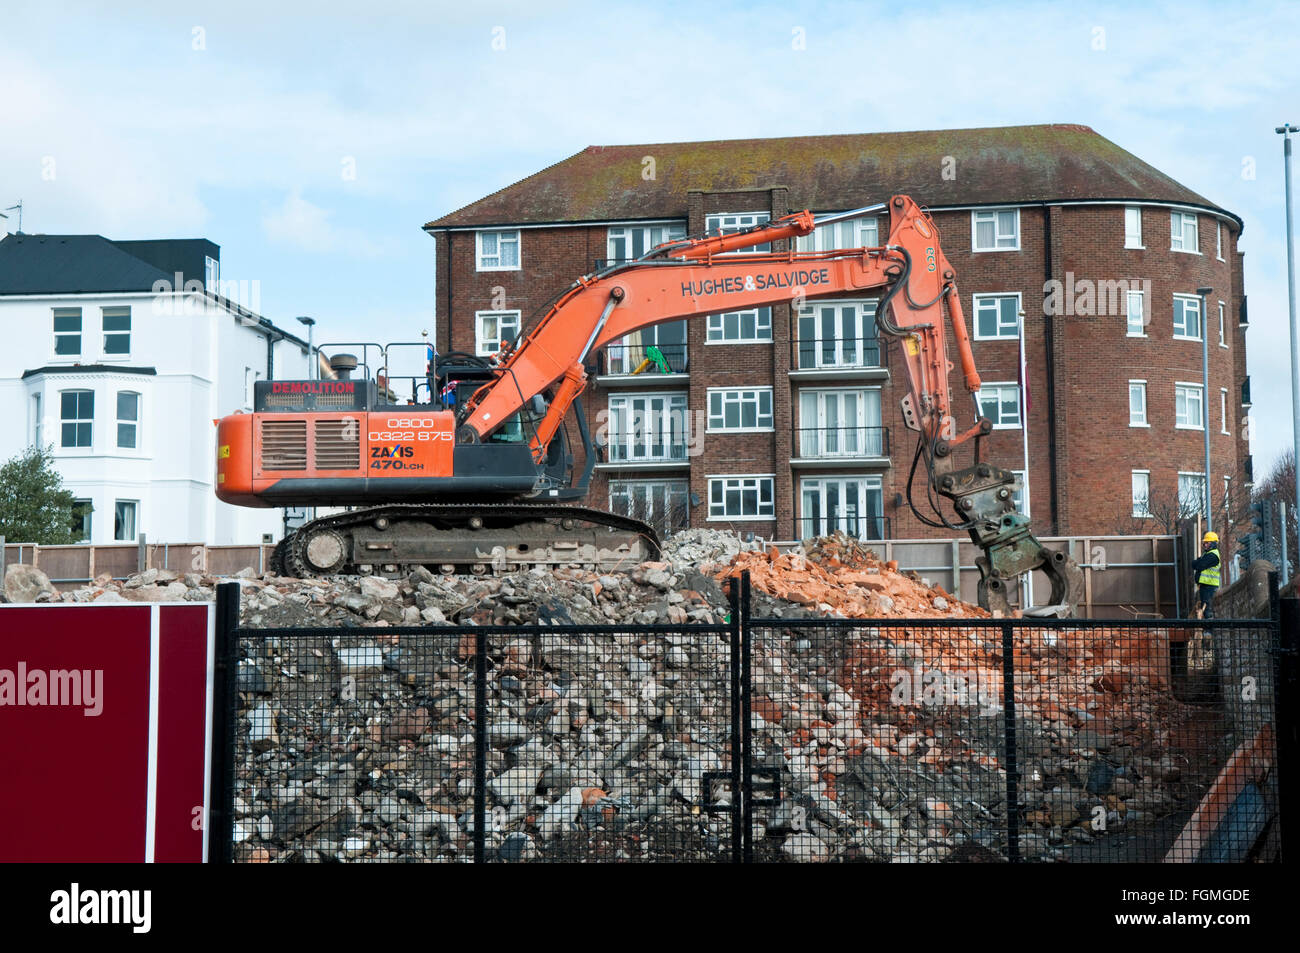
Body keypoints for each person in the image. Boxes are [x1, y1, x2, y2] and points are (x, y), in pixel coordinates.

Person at [1190, 531, 1221, 619]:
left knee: (1207, 610)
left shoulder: (1213, 555)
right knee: (1204, 609)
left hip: (1209, 586)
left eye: (1207, 543)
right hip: (1205, 586)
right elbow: (1194, 564)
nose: (1205, 545)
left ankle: (1209, 631)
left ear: (1213, 543)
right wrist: (1197, 563)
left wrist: (1197, 563)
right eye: (1204, 543)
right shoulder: (1207, 554)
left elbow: (1198, 565)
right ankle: (1206, 630)